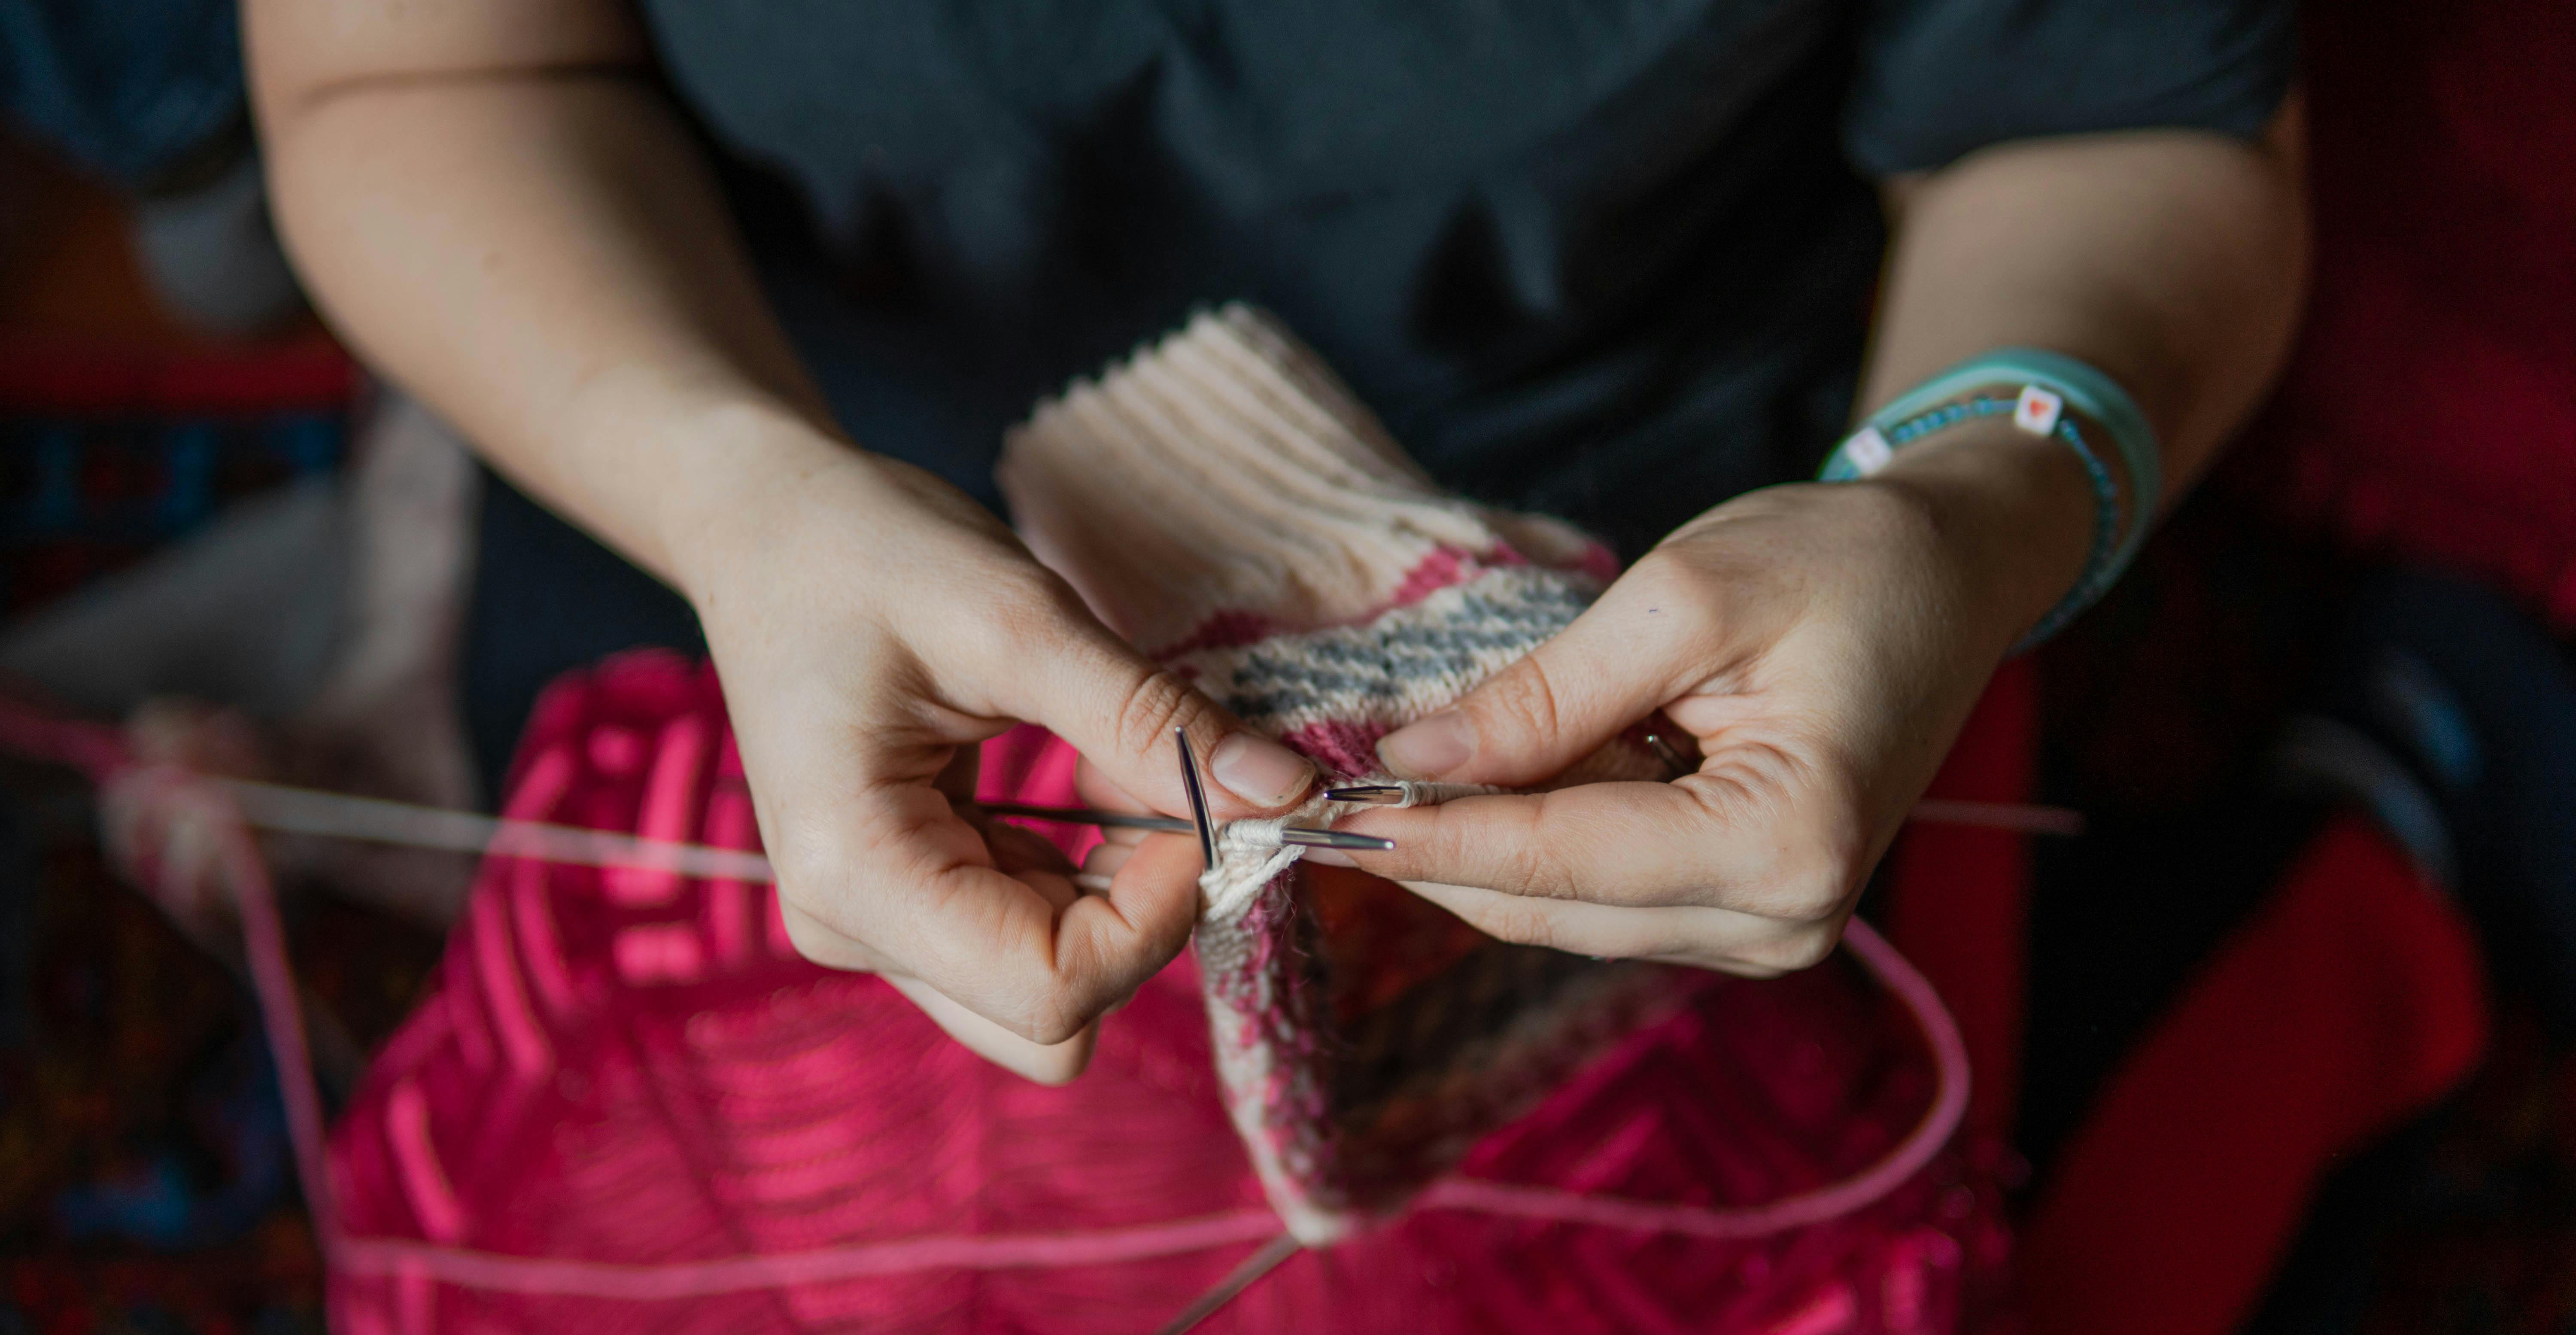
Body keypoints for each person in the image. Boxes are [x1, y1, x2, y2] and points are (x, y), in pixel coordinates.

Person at [241, 0, 2308, 1086]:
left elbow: (2114, 103)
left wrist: (1956, 501)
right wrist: (729, 490)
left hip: (1691, 572)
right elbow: (417, 62)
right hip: (738, 507)